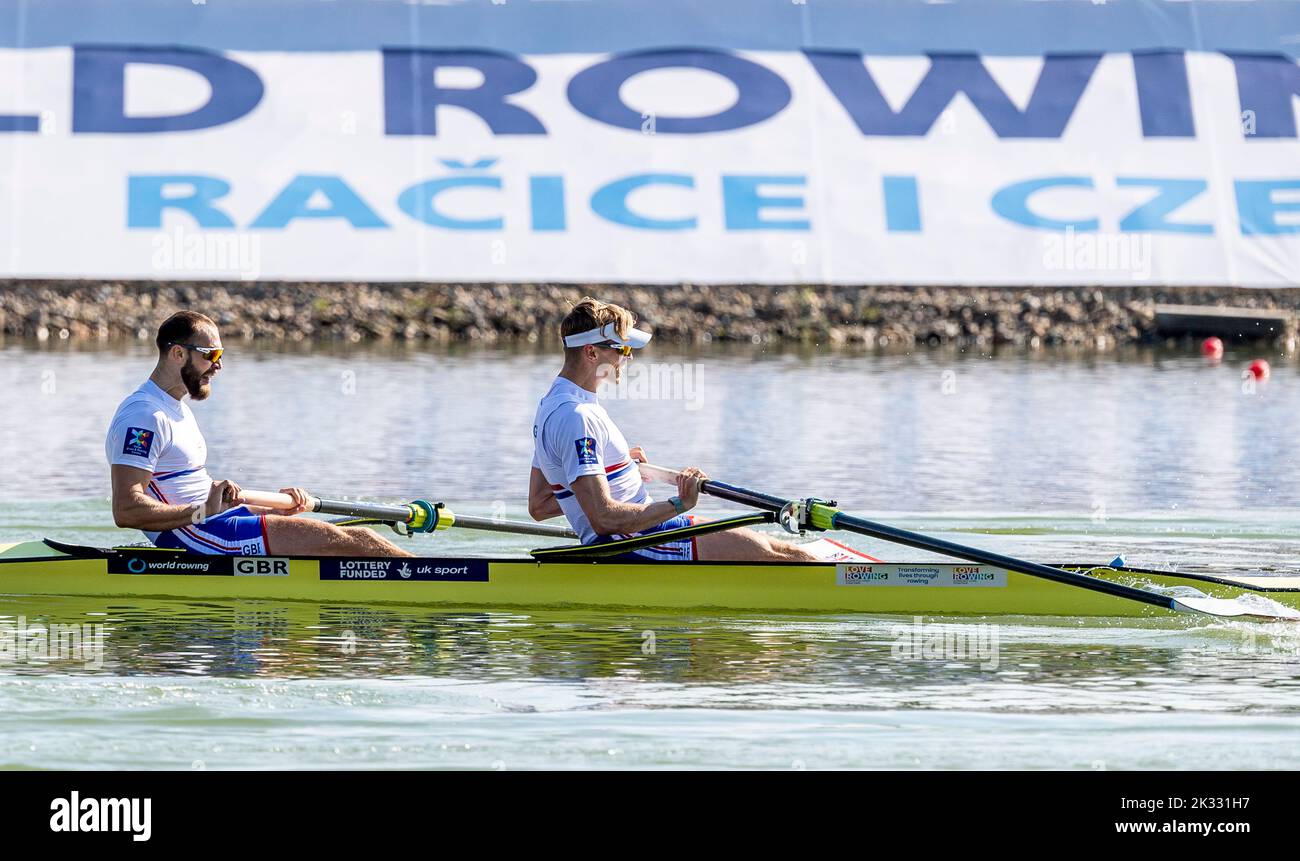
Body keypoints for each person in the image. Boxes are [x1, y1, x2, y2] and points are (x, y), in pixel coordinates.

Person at [528, 297, 818, 562]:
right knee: (790, 561)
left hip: (644, 531)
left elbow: (540, 504)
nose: (628, 359)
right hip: (634, 542)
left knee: (785, 549)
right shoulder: (577, 417)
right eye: (623, 349)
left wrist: (614, 470)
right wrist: (680, 502)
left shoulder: (551, 406)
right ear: (591, 352)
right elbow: (604, 518)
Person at [106, 311, 411, 557]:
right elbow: (126, 509)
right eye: (210, 354)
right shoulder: (144, 416)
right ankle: (437, 580)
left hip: (214, 525)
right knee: (356, 540)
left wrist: (272, 505)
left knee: (355, 537)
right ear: (177, 354)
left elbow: (197, 495)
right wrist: (201, 512)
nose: (219, 365)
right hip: (197, 538)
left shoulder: (175, 408)